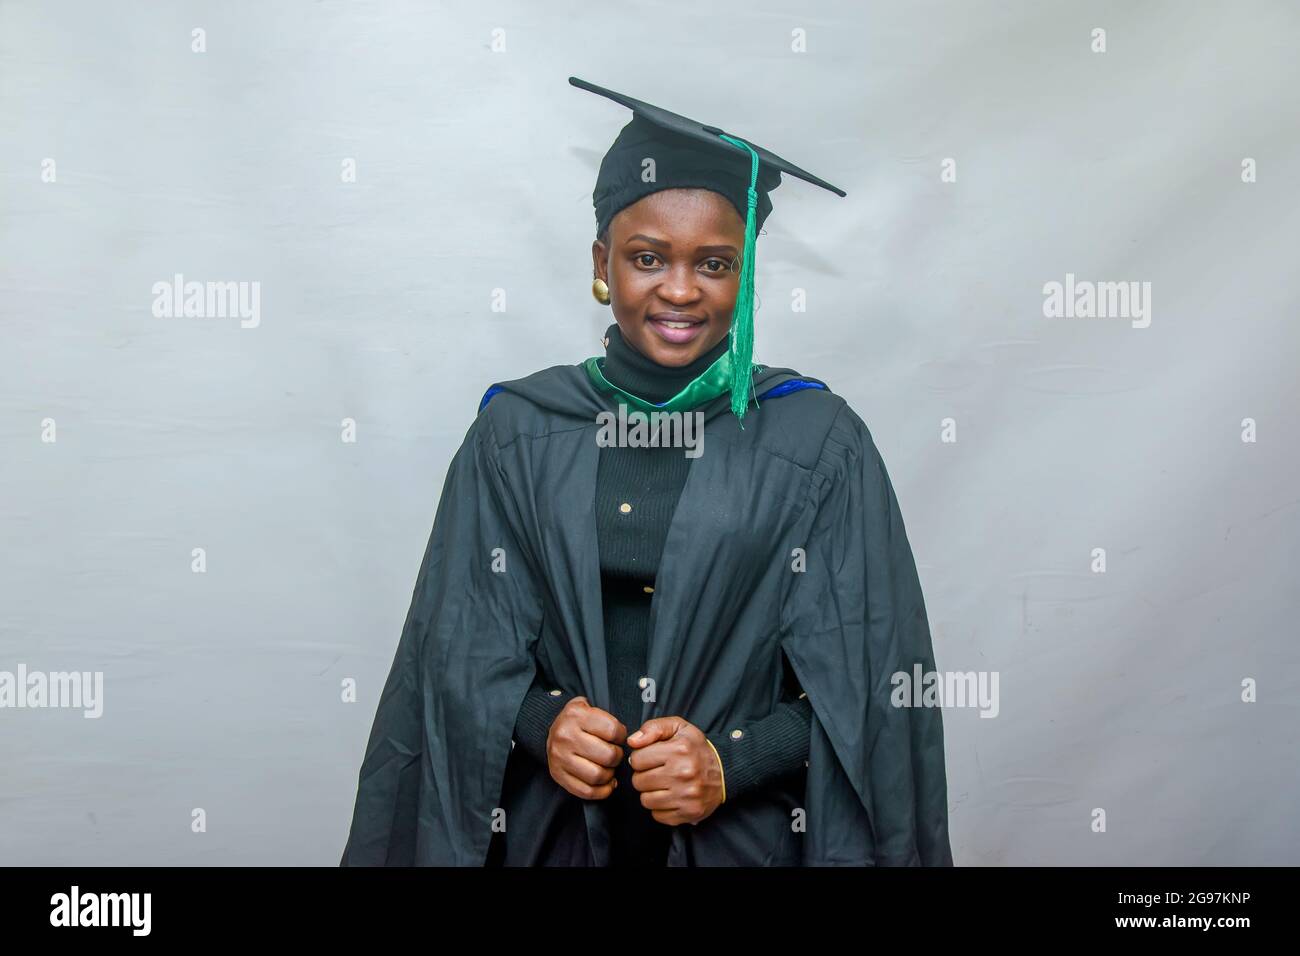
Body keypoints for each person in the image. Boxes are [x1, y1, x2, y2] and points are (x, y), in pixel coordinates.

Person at [339, 76, 954, 867]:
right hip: (552, 837)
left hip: (743, 843)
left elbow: (873, 686)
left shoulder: (817, 444)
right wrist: (542, 723)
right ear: (603, 263)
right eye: (647, 257)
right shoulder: (517, 434)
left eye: (715, 263)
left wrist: (736, 759)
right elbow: (452, 652)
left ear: (747, 276)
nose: (678, 289)